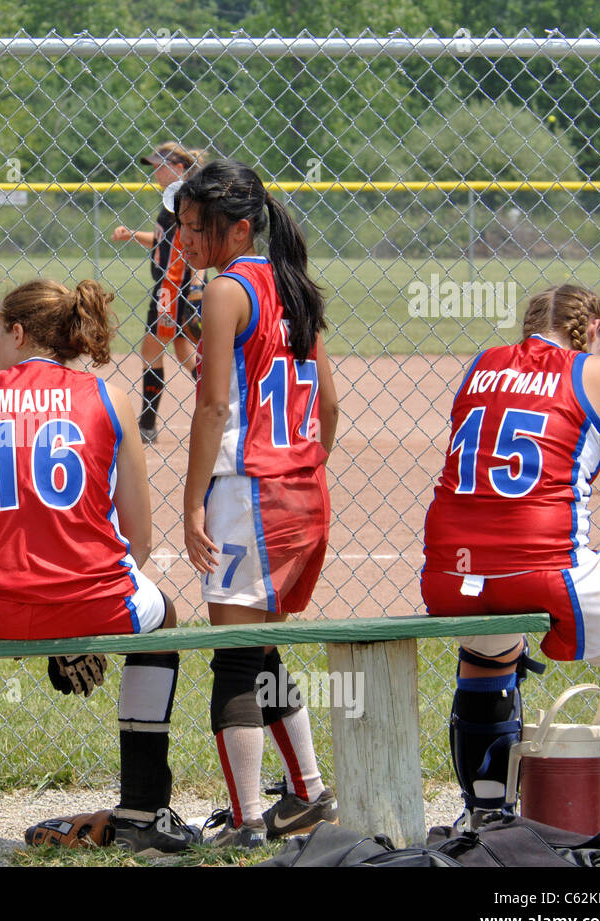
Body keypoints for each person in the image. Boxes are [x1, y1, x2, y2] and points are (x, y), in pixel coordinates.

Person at [0, 278, 197, 857]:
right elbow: (141, 540)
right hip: (97, 597)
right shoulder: (110, 398)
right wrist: (75, 616)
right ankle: (141, 809)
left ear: (18, 331)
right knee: (165, 618)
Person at [422, 285, 600, 827]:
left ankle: (485, 820)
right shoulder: (597, 373)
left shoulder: (483, 366)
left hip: (448, 574)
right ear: (594, 330)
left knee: (488, 654)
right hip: (545, 569)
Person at [177, 159, 341, 848]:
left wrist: (191, 504)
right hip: (301, 489)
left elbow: (214, 405)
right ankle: (306, 794)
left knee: (235, 657)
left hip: (248, 491)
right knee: (261, 647)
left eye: (196, 228)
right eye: (180, 227)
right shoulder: (293, 286)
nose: (184, 240)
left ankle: (246, 823)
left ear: (239, 227)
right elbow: (329, 404)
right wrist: (302, 465)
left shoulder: (226, 291)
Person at [110, 140, 206, 444]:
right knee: (183, 351)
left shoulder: (187, 200)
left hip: (173, 286)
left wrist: (197, 283)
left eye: (160, 166)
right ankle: (226, 399)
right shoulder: (175, 199)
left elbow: (198, 241)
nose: (155, 171)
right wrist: (132, 235)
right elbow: (164, 241)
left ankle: (147, 425)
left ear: (178, 168)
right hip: (172, 285)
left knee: (151, 351)